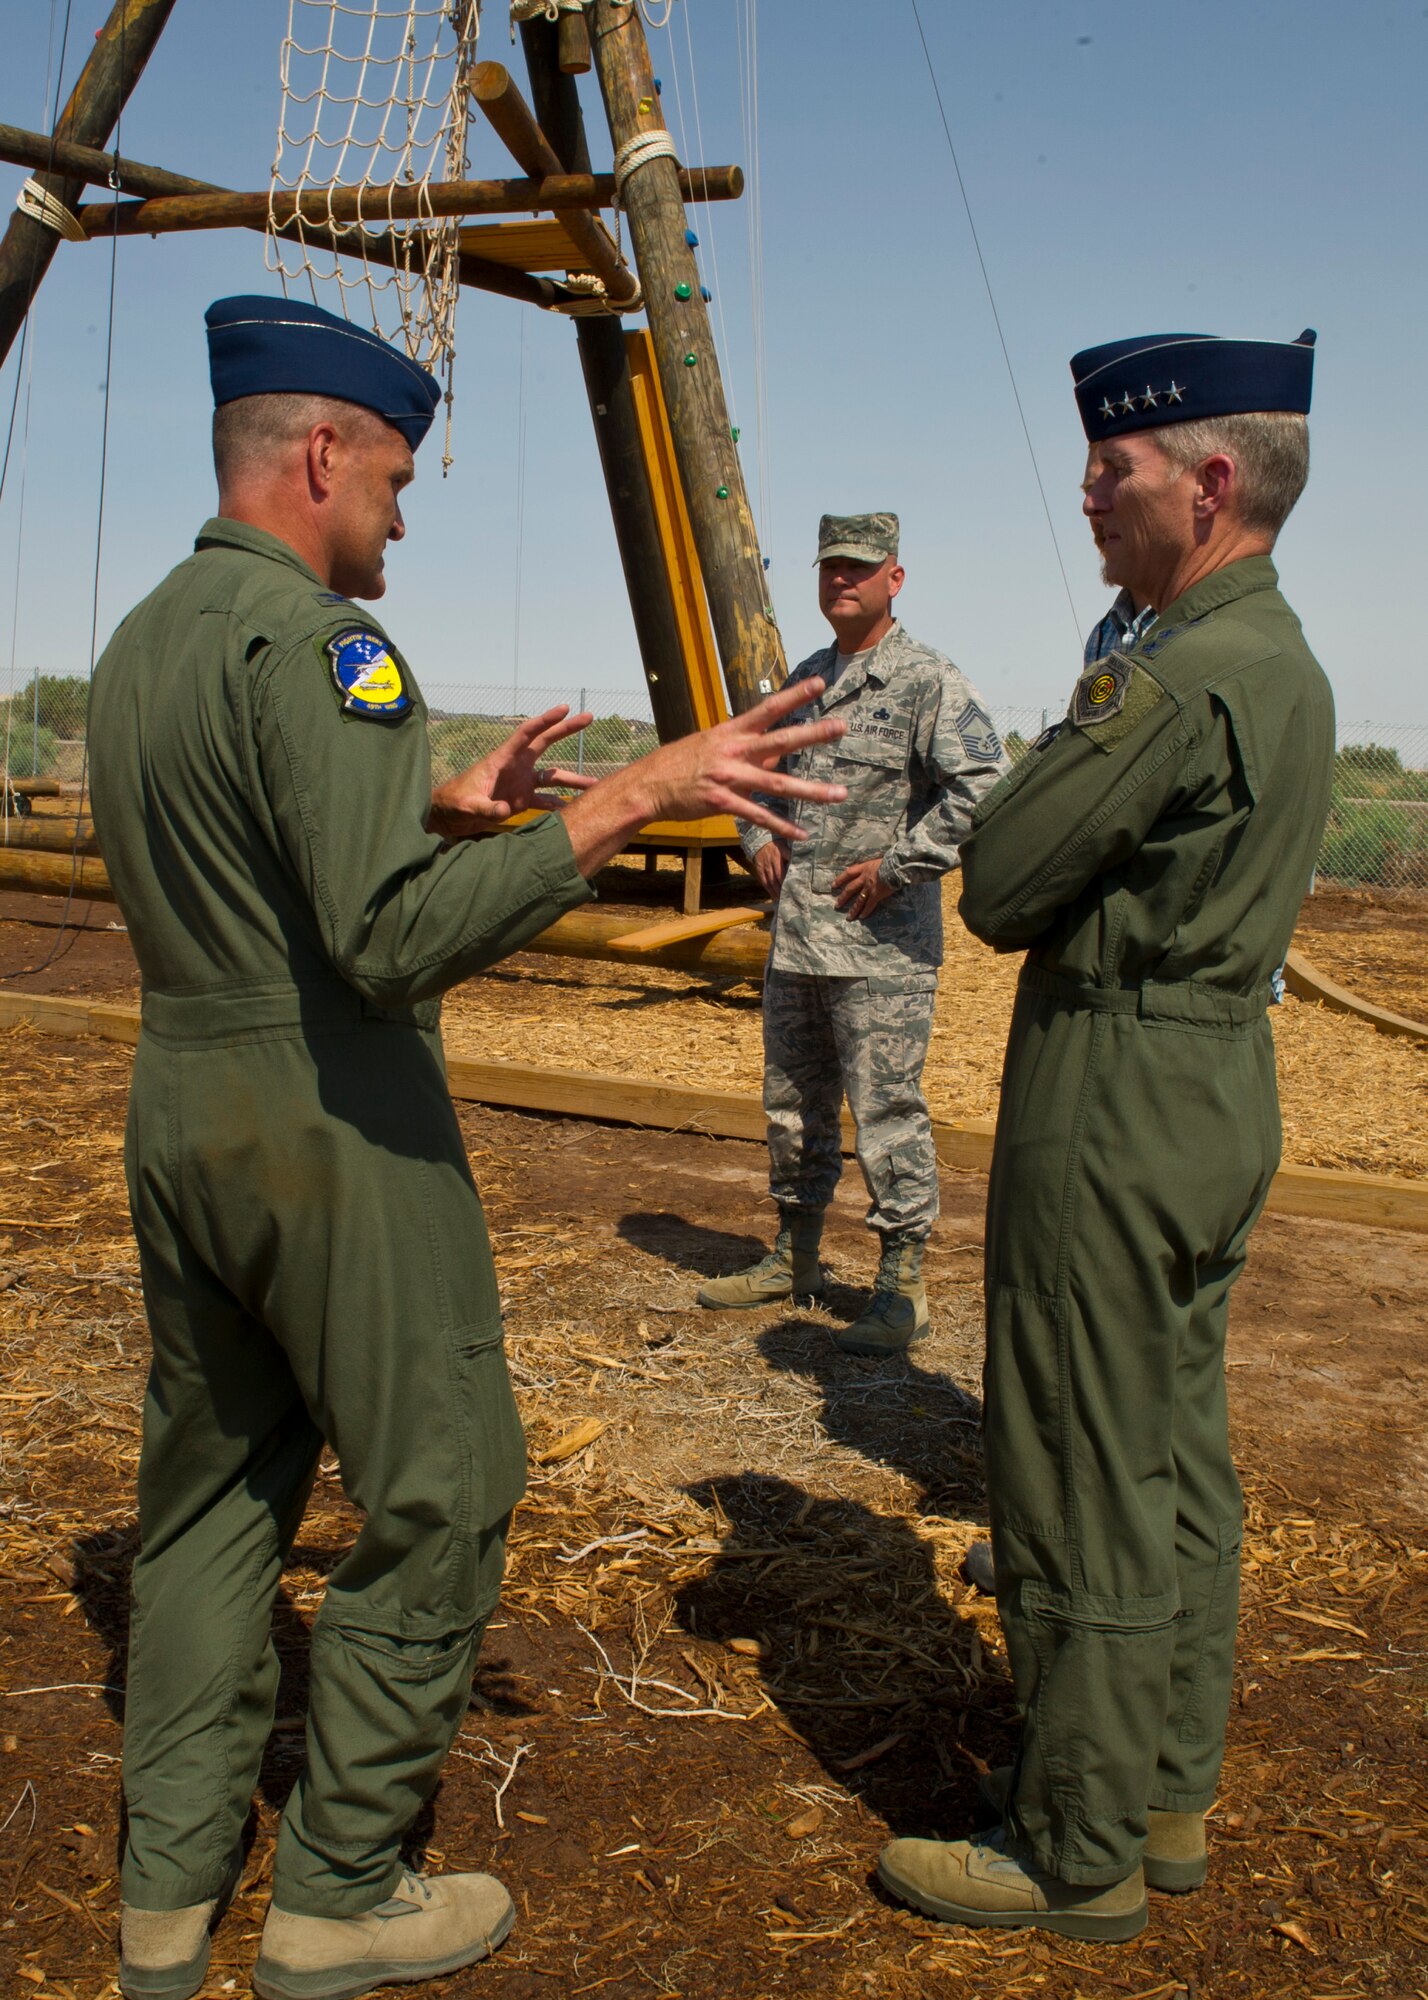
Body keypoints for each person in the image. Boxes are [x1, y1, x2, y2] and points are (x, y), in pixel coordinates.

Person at [89, 294, 850, 2000]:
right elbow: (380, 947)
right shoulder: (334, 650)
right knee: (446, 1483)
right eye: (395, 480)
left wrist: (434, 815)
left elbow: (262, 867)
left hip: (182, 1100)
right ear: (320, 455)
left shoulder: (145, 637)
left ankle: (164, 1902)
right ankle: (342, 1891)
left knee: (207, 1501)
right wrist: (631, 797)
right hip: (331, 1123)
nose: (400, 519)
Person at [877, 330, 1333, 1941]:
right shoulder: (1280, 659)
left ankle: (1073, 1846)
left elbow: (1001, 881)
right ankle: (1160, 1794)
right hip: (1216, 1086)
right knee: (1175, 1453)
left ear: (1209, 483)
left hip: (1117, 1090)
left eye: (1113, 467)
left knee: (1077, 1468)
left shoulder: (1175, 672)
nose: (1087, 492)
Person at [696, 514, 1007, 1354]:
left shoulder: (925, 680)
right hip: (798, 944)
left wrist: (900, 866)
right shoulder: (805, 681)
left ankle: (902, 1286)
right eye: (831, 566)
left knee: (887, 1113)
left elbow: (985, 785)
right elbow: (747, 775)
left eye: (860, 568)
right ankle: (794, 1257)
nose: (842, 580)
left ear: (894, 580)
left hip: (881, 952)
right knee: (793, 1109)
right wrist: (758, 839)